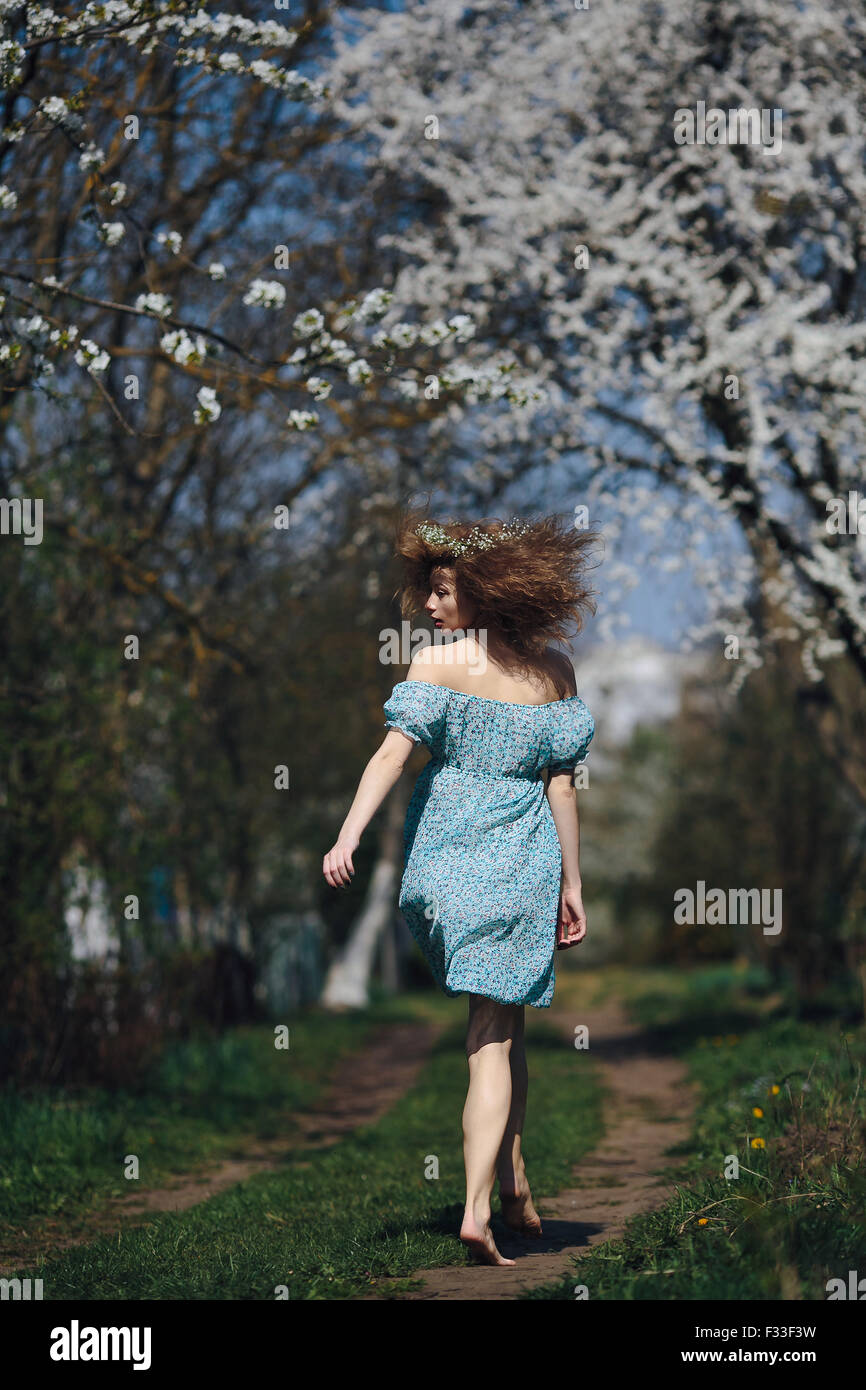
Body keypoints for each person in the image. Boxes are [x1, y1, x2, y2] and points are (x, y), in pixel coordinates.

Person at [322, 513, 598, 1266]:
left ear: (486, 590)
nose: (431, 606)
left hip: (443, 869)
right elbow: (563, 792)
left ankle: (512, 1183)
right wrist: (573, 885)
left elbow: (390, 757)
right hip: (519, 870)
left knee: (498, 1027)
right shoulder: (556, 673)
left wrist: (348, 834)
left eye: (443, 591)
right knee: (494, 1038)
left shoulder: (436, 666)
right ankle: (479, 1207)